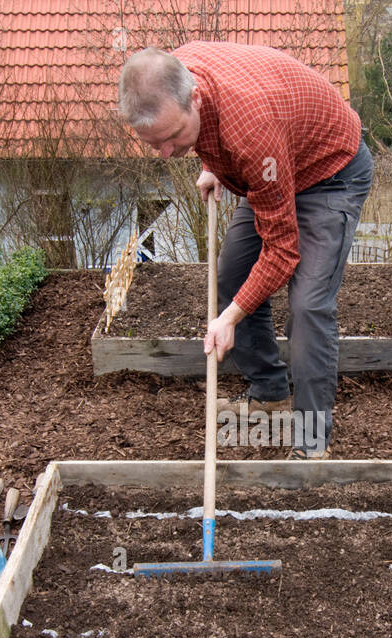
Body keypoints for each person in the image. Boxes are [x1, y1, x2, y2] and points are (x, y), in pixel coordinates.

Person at [118, 42, 372, 458]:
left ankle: (311, 441)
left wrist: (231, 318)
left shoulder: (251, 131)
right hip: (274, 166)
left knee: (308, 304)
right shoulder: (174, 74)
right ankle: (271, 393)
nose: (166, 154)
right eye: (154, 144)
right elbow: (212, 129)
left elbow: (282, 252)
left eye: (172, 138)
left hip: (330, 173)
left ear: (194, 99)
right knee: (231, 276)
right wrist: (209, 162)